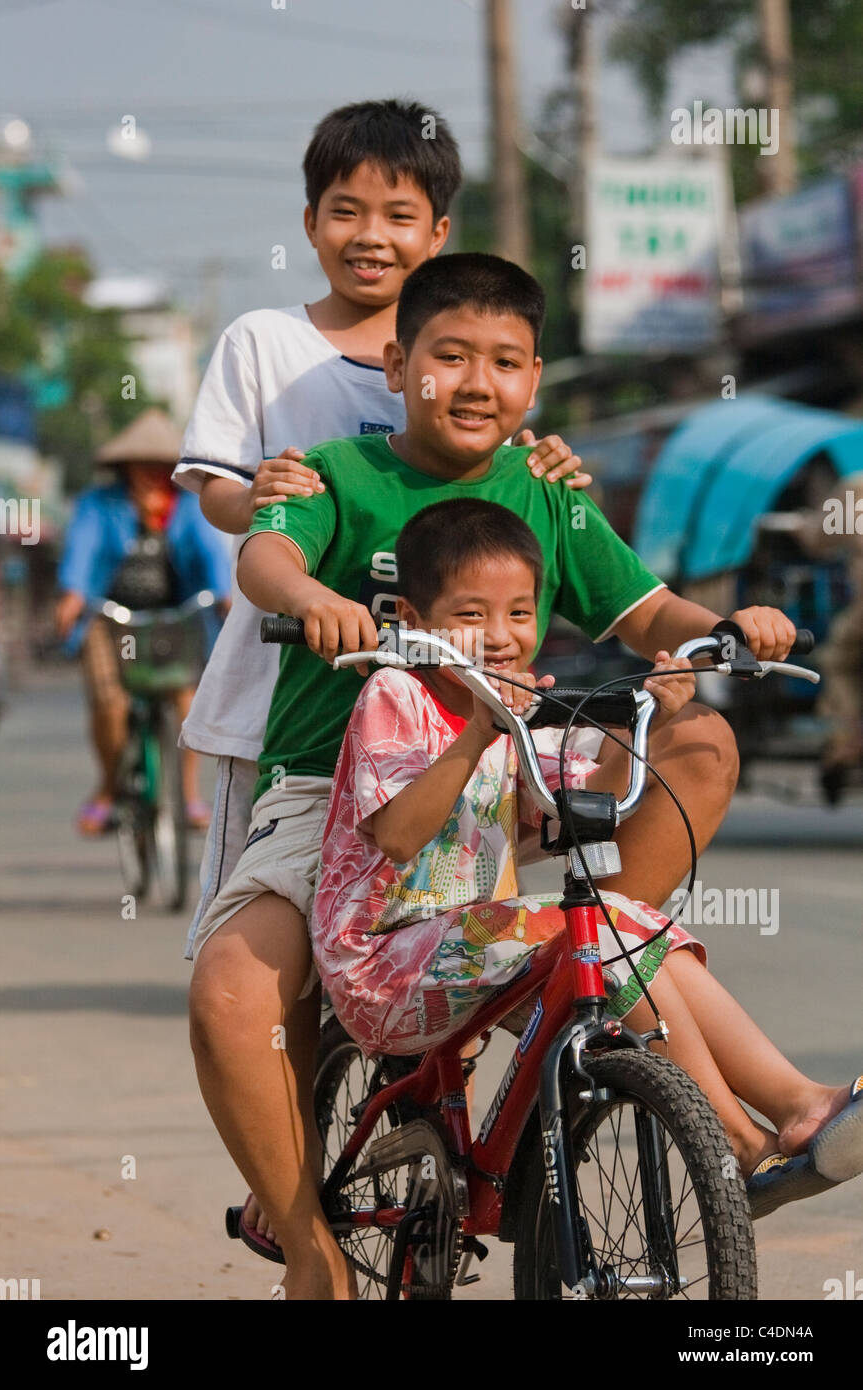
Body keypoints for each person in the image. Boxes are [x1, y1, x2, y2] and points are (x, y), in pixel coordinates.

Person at [188, 251, 801, 1299]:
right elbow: (263, 559)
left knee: (695, 737)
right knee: (231, 992)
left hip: (494, 787)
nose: (476, 382)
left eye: (504, 361)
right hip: (344, 795)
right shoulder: (335, 473)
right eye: (450, 357)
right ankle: (303, 1242)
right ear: (397, 362)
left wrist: (724, 631)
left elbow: (645, 613)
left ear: (534, 378)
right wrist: (312, 596)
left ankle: (614, 1011)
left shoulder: (547, 492)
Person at [173, 98, 587, 1247]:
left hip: (442, 711)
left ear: (437, 228)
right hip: (292, 706)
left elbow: (508, 468)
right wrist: (274, 497)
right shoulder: (267, 341)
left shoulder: (458, 348)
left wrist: (543, 452)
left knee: (444, 913)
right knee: (282, 967)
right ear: (308, 220)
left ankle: (470, 1114)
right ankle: (288, 1177)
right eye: (345, 210)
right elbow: (211, 487)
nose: (369, 233)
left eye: (397, 215)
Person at [313, 497, 863, 1224]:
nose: (501, 637)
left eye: (518, 612)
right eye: (471, 616)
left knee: (623, 923)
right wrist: (479, 732)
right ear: (414, 623)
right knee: (603, 931)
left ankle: (800, 1106)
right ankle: (731, 1136)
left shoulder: (514, 702)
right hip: (381, 963)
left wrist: (646, 722)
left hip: (466, 946)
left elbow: (572, 812)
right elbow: (397, 836)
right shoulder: (398, 693)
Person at [54, 408, 231, 834]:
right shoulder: (100, 504)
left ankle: (188, 796)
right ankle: (108, 787)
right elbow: (82, 550)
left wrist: (225, 596)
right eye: (145, 464)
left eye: (163, 464)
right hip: (108, 616)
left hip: (174, 616)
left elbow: (211, 555)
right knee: (111, 704)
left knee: (187, 701)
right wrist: (74, 595)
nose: (154, 473)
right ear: (127, 467)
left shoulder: (188, 506)